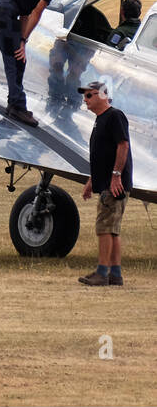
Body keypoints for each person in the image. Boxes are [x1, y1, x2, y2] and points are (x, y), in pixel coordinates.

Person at [0, 0, 80, 127]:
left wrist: (23, 41)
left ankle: (13, 103)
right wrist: (21, 41)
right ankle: (17, 107)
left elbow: (25, 14)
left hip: (3, 9)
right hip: (5, 12)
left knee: (19, 59)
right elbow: (37, 12)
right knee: (14, 60)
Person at [78, 81, 131, 287]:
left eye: (89, 96)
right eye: (85, 96)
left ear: (102, 95)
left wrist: (116, 175)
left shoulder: (114, 116)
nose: (85, 100)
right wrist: (92, 180)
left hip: (115, 184)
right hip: (106, 182)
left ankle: (102, 273)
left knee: (104, 228)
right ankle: (115, 274)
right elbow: (101, 154)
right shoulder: (100, 120)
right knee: (112, 229)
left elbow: (123, 145)